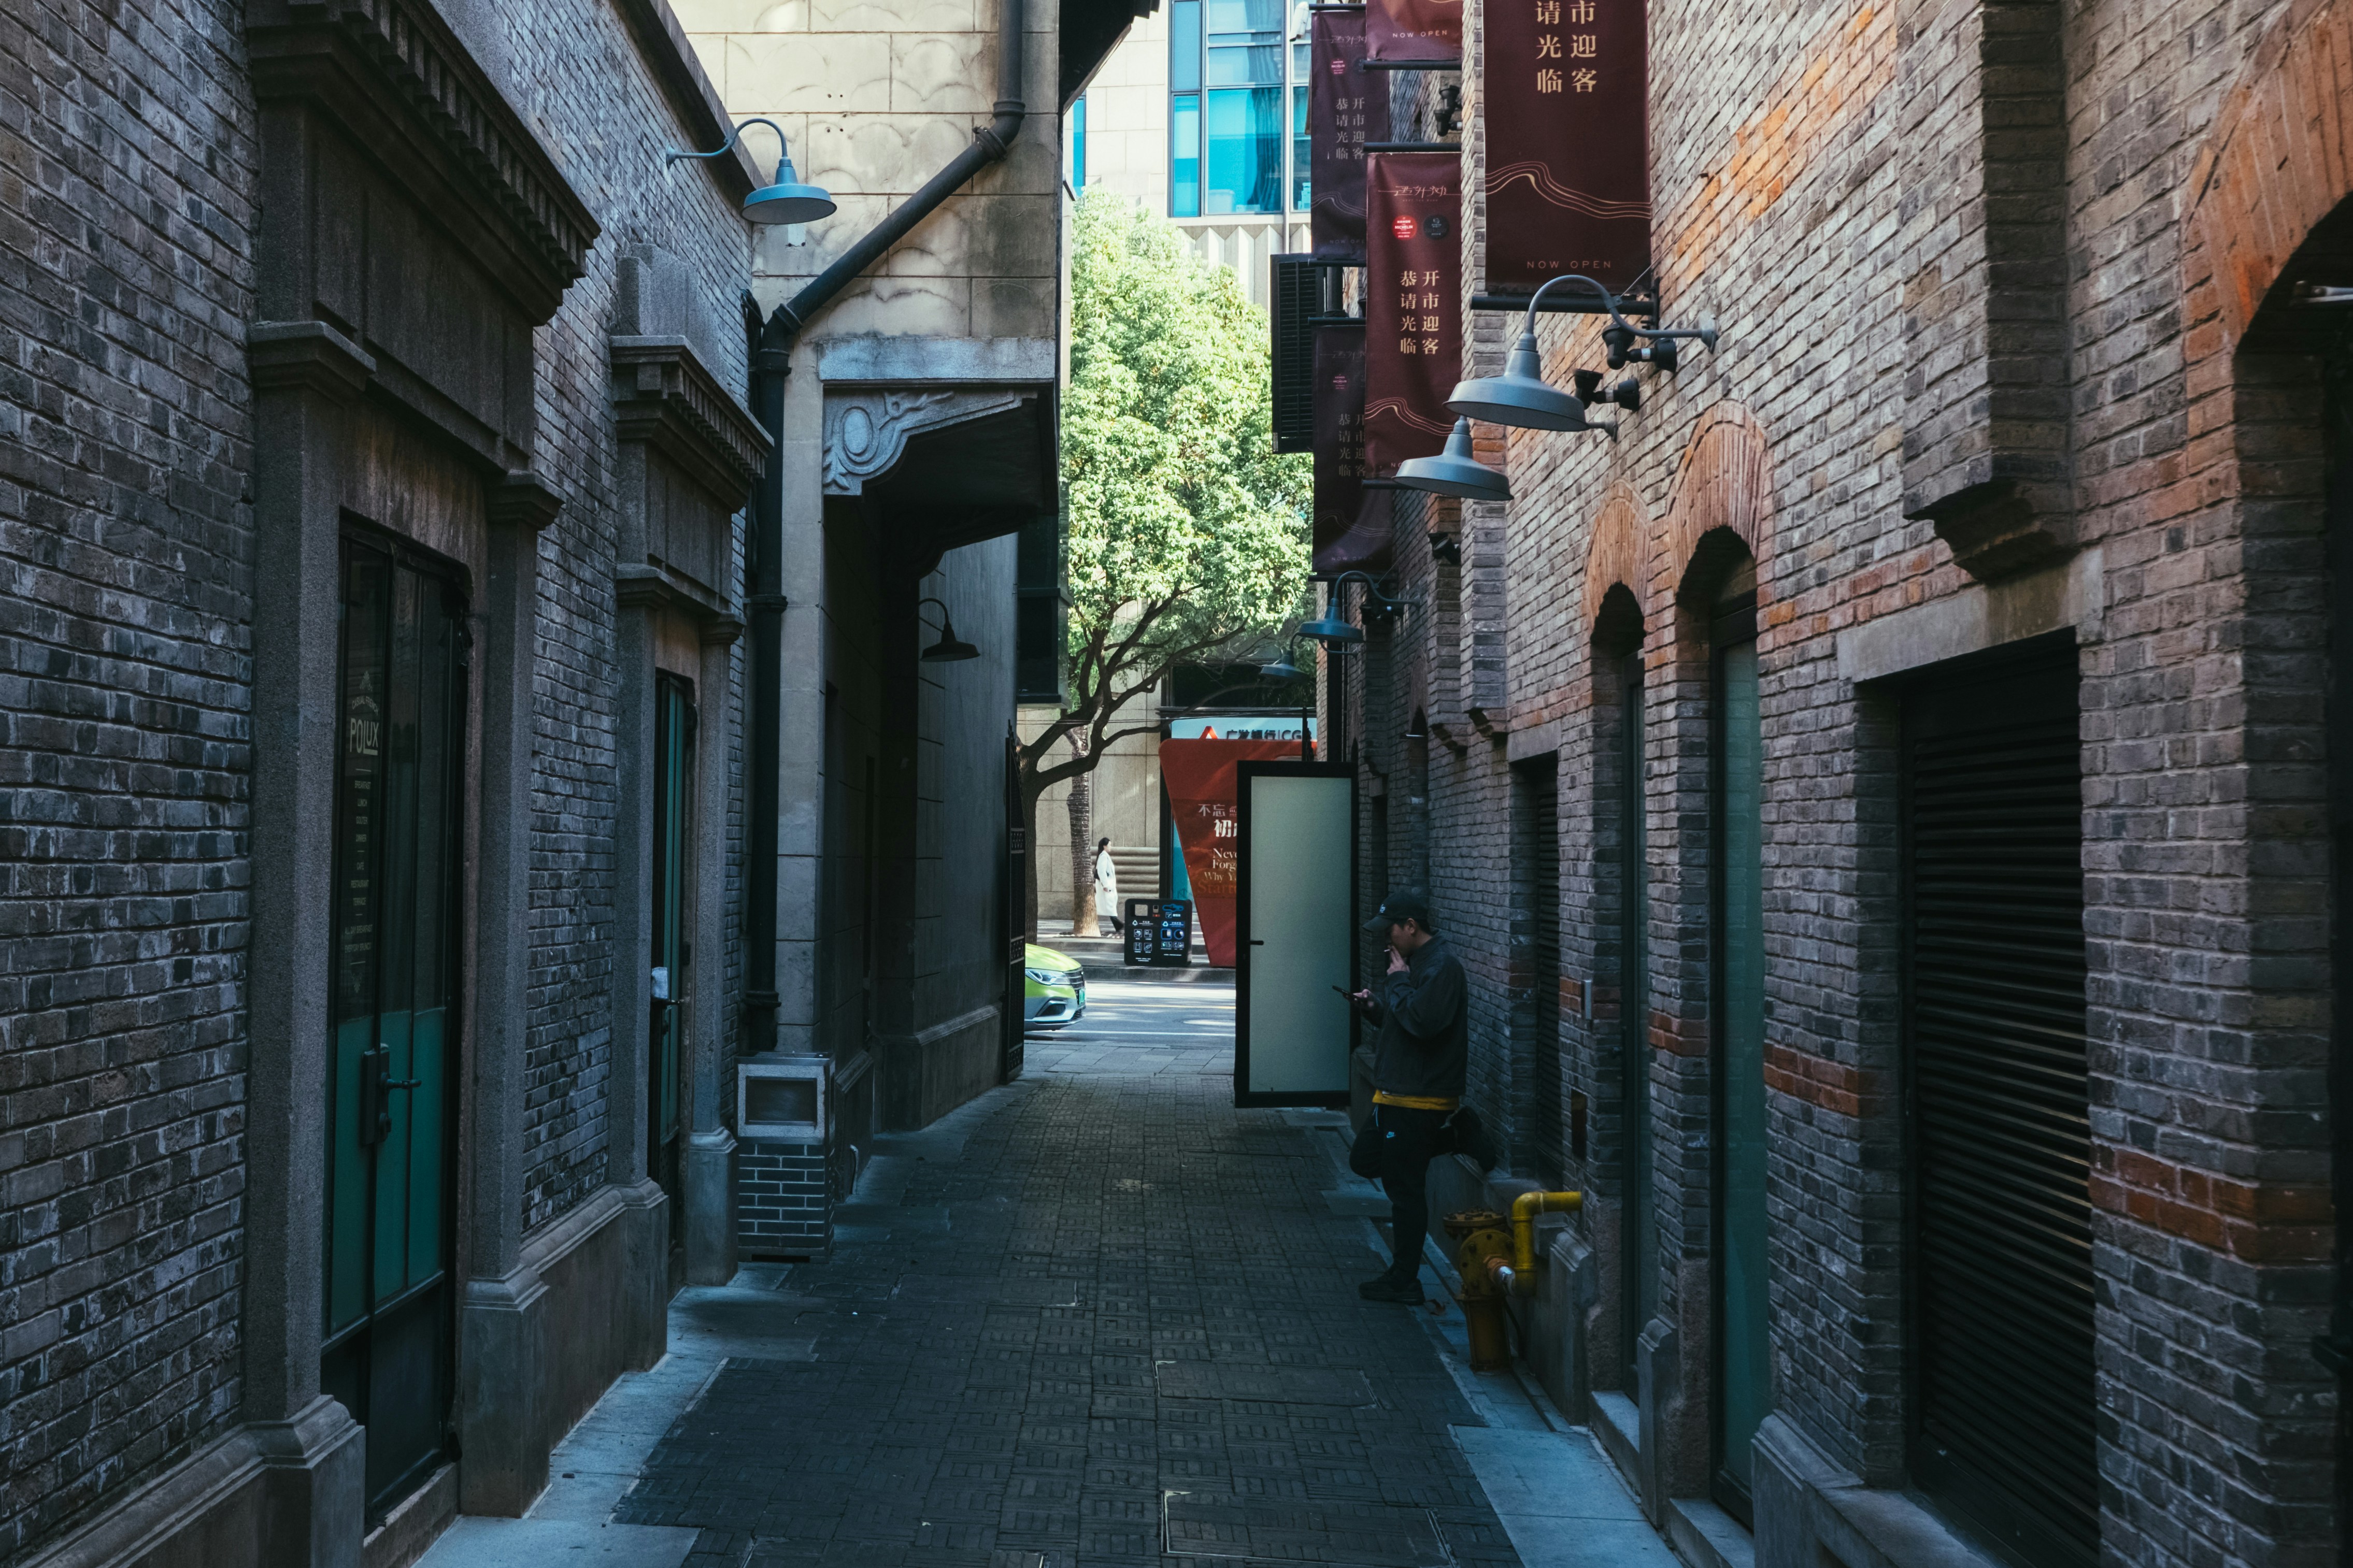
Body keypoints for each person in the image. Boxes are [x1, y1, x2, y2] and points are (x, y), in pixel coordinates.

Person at [1347, 891, 1495, 1304]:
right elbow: (1407, 1021)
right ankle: (1456, 1139)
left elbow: (1425, 1022)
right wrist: (1376, 1007)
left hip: (1418, 1098)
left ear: (1410, 926)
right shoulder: (1417, 964)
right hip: (1395, 1091)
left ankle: (1404, 1279)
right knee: (1364, 1160)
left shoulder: (1441, 966)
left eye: (1391, 931)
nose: (1387, 941)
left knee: (1403, 1188)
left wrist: (1394, 983)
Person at [1094, 837, 1123, 934]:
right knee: (1110, 907)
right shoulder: (1103, 856)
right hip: (1107, 887)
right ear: (1104, 846)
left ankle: (1119, 926)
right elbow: (1102, 872)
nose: (1111, 847)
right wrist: (1106, 885)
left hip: (1109, 886)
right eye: (1109, 845)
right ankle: (1119, 926)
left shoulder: (1104, 855)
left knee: (1110, 907)